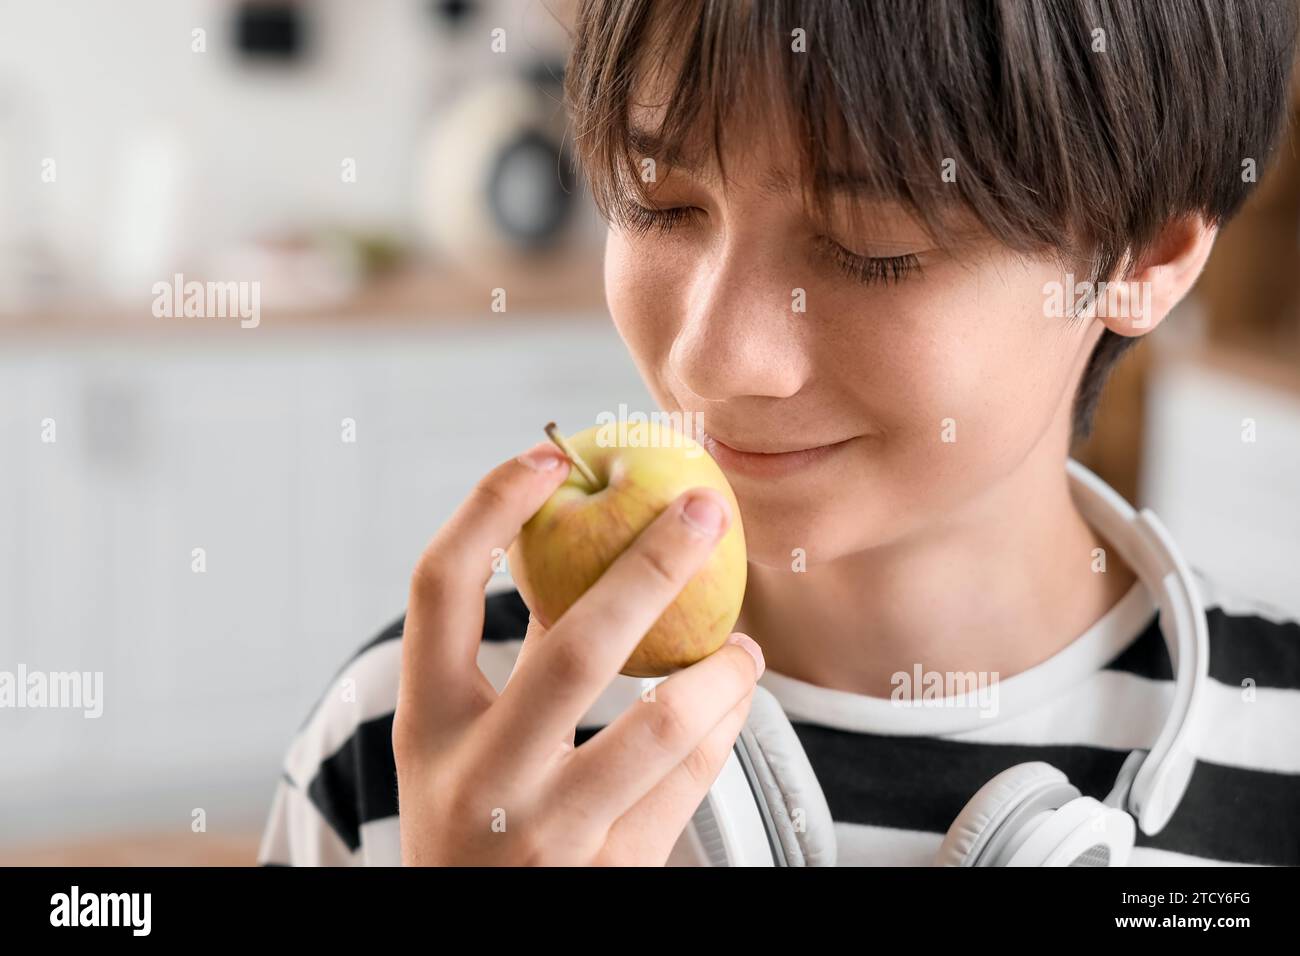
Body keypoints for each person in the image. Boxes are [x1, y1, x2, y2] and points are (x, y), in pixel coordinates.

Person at [259, 0, 1300, 866]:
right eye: (657, 201)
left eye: (870, 245)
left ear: (1145, 255)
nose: (711, 359)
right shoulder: (412, 744)